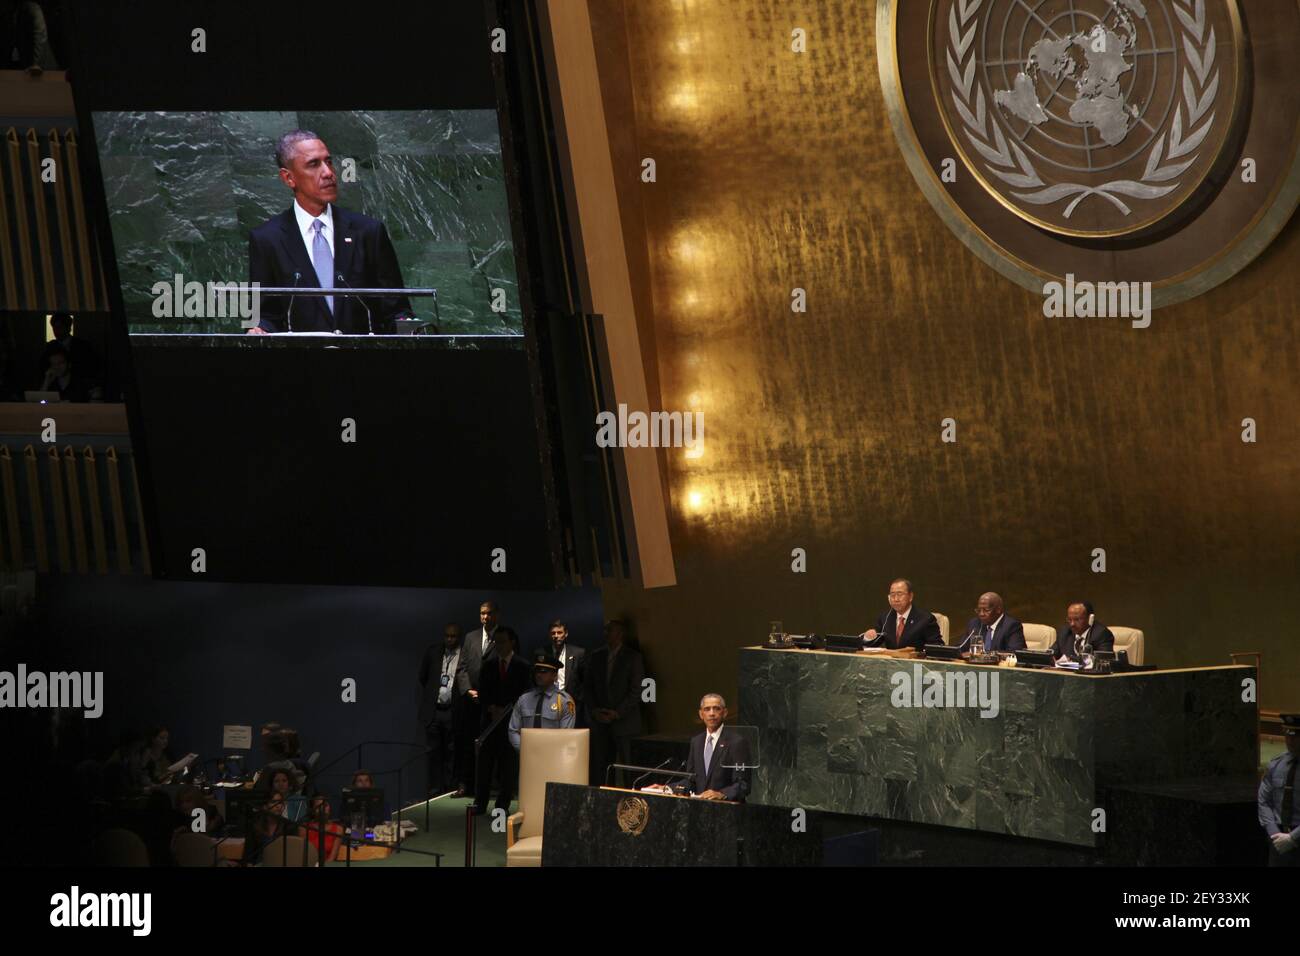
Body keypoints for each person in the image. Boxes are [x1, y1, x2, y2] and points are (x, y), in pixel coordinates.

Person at [247, 130, 413, 334]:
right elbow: (265, 314)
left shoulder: (368, 232)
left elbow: (396, 309)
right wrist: (258, 329)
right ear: (288, 178)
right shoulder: (267, 238)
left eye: (329, 161)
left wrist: (406, 327)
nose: (328, 173)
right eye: (314, 164)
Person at [472, 626, 531, 814]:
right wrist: (491, 708)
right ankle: (479, 804)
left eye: (502, 641)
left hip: (511, 724)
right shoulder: (488, 665)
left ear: (512, 642)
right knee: (484, 766)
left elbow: (525, 695)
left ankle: (502, 806)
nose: (499, 646)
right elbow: (482, 692)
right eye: (496, 642)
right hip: (489, 724)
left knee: (508, 768)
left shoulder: (523, 666)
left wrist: (507, 711)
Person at [584, 620, 644, 785]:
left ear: (620, 634)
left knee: (628, 769)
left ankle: (631, 804)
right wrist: (595, 711)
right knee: (602, 767)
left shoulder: (633, 657)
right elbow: (588, 687)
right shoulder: (596, 656)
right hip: (600, 721)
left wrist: (617, 713)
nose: (606, 634)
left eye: (610, 630)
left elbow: (636, 690)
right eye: (605, 630)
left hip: (625, 722)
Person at [418, 623, 467, 796]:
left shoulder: (464, 654)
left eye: (453, 636)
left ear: (459, 637)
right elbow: (423, 677)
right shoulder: (433, 652)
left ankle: (450, 788)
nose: (449, 639)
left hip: (453, 711)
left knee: (452, 753)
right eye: (447, 635)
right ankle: (434, 790)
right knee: (433, 753)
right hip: (434, 711)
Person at [676, 694, 751, 801]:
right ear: (701, 714)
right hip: (701, 809)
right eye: (707, 709)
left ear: (725, 713)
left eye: (716, 709)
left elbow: (743, 784)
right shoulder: (696, 742)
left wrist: (721, 794)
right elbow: (691, 780)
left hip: (727, 810)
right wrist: (666, 788)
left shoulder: (737, 742)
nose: (712, 713)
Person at [458, 601, 500, 792]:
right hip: (471, 701)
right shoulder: (470, 637)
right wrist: (468, 690)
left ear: (496, 615)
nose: (485, 617)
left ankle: (490, 785)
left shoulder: (504, 637)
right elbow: (462, 667)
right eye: (482, 613)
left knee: (492, 745)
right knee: (468, 743)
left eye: (489, 613)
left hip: (494, 703)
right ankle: (467, 784)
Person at [508, 649, 577, 749]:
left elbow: (566, 736)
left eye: (544, 672)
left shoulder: (564, 701)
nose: (539, 675)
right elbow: (513, 730)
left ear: (554, 675)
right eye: (537, 671)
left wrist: (545, 754)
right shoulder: (524, 699)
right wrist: (525, 751)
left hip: (553, 757)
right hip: (527, 755)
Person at [1258, 714, 1300, 867]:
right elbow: (1264, 801)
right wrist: (1273, 833)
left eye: (1295, 736)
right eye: (1287, 734)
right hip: (1278, 840)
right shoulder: (1276, 765)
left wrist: (1293, 838)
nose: (1290, 740)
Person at [861, 578, 944, 650]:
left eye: (900, 594)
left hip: (917, 666)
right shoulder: (885, 618)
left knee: (917, 669)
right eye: (892, 595)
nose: (896, 599)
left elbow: (937, 647)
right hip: (892, 666)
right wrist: (868, 638)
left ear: (910, 597)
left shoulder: (926, 619)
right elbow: (873, 644)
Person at [542, 619, 586, 724]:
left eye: (559, 632)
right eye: (553, 633)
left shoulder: (578, 653)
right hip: (548, 703)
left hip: (571, 703)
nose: (556, 635)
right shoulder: (542, 653)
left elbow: (585, 680)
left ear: (566, 634)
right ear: (549, 635)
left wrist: (579, 700)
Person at [0, 1, 60, 72]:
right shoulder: (13, 11)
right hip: (26, 66)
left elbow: (40, 35)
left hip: (42, 67)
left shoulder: (31, 8)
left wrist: (36, 63)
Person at [960, 592, 1026, 653]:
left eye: (986, 610)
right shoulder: (974, 623)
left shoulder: (1012, 626)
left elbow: (1014, 652)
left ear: (998, 610)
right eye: (979, 610)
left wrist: (987, 656)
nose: (981, 614)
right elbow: (961, 647)